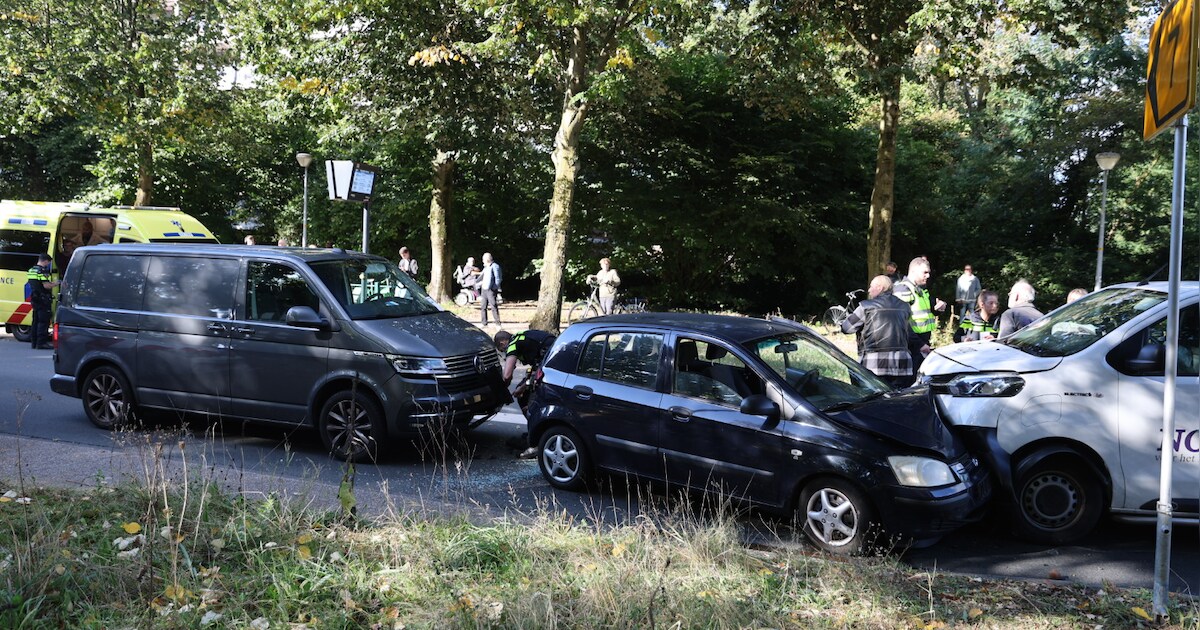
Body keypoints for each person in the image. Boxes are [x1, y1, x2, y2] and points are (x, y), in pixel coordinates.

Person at [839, 275, 917, 389]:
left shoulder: (866, 306)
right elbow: (909, 332)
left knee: (873, 401)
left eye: (871, 287)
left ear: (880, 288)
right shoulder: (905, 307)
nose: (869, 290)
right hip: (902, 363)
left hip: (874, 363)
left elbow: (846, 328)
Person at [494, 329, 557, 458]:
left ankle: (536, 444)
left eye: (502, 350)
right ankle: (533, 434)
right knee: (524, 392)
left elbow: (507, 375)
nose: (504, 353)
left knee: (530, 401)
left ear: (502, 343)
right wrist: (523, 386)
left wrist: (502, 390)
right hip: (549, 359)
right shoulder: (521, 337)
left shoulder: (513, 344)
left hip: (550, 363)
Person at [892, 257, 947, 371]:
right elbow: (900, 323)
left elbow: (929, 311)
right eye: (925, 272)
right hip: (910, 345)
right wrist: (920, 345)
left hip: (921, 343)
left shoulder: (921, 289)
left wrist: (939, 308)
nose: (928, 276)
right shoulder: (903, 289)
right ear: (913, 271)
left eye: (928, 273)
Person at [26, 253, 59, 349]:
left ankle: (34, 342)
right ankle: (41, 343)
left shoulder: (32, 270)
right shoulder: (42, 271)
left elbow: (36, 284)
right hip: (43, 298)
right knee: (43, 321)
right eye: (48, 262)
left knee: (35, 320)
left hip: (35, 298)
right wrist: (56, 284)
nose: (48, 264)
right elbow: (46, 285)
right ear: (45, 261)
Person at [953, 265, 981, 343]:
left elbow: (979, 288)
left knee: (973, 314)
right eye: (966, 269)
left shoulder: (975, 279)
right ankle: (962, 331)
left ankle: (973, 329)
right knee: (962, 315)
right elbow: (958, 289)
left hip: (972, 300)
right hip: (963, 300)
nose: (967, 271)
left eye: (969, 269)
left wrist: (974, 295)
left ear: (971, 270)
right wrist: (958, 298)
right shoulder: (961, 279)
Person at [479, 252, 502, 326]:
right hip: (484, 289)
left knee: (493, 306)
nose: (483, 261)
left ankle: (498, 324)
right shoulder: (486, 267)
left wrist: (494, 288)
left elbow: (498, 278)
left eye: (483, 259)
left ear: (487, 259)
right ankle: (484, 323)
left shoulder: (495, 266)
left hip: (491, 289)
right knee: (483, 306)